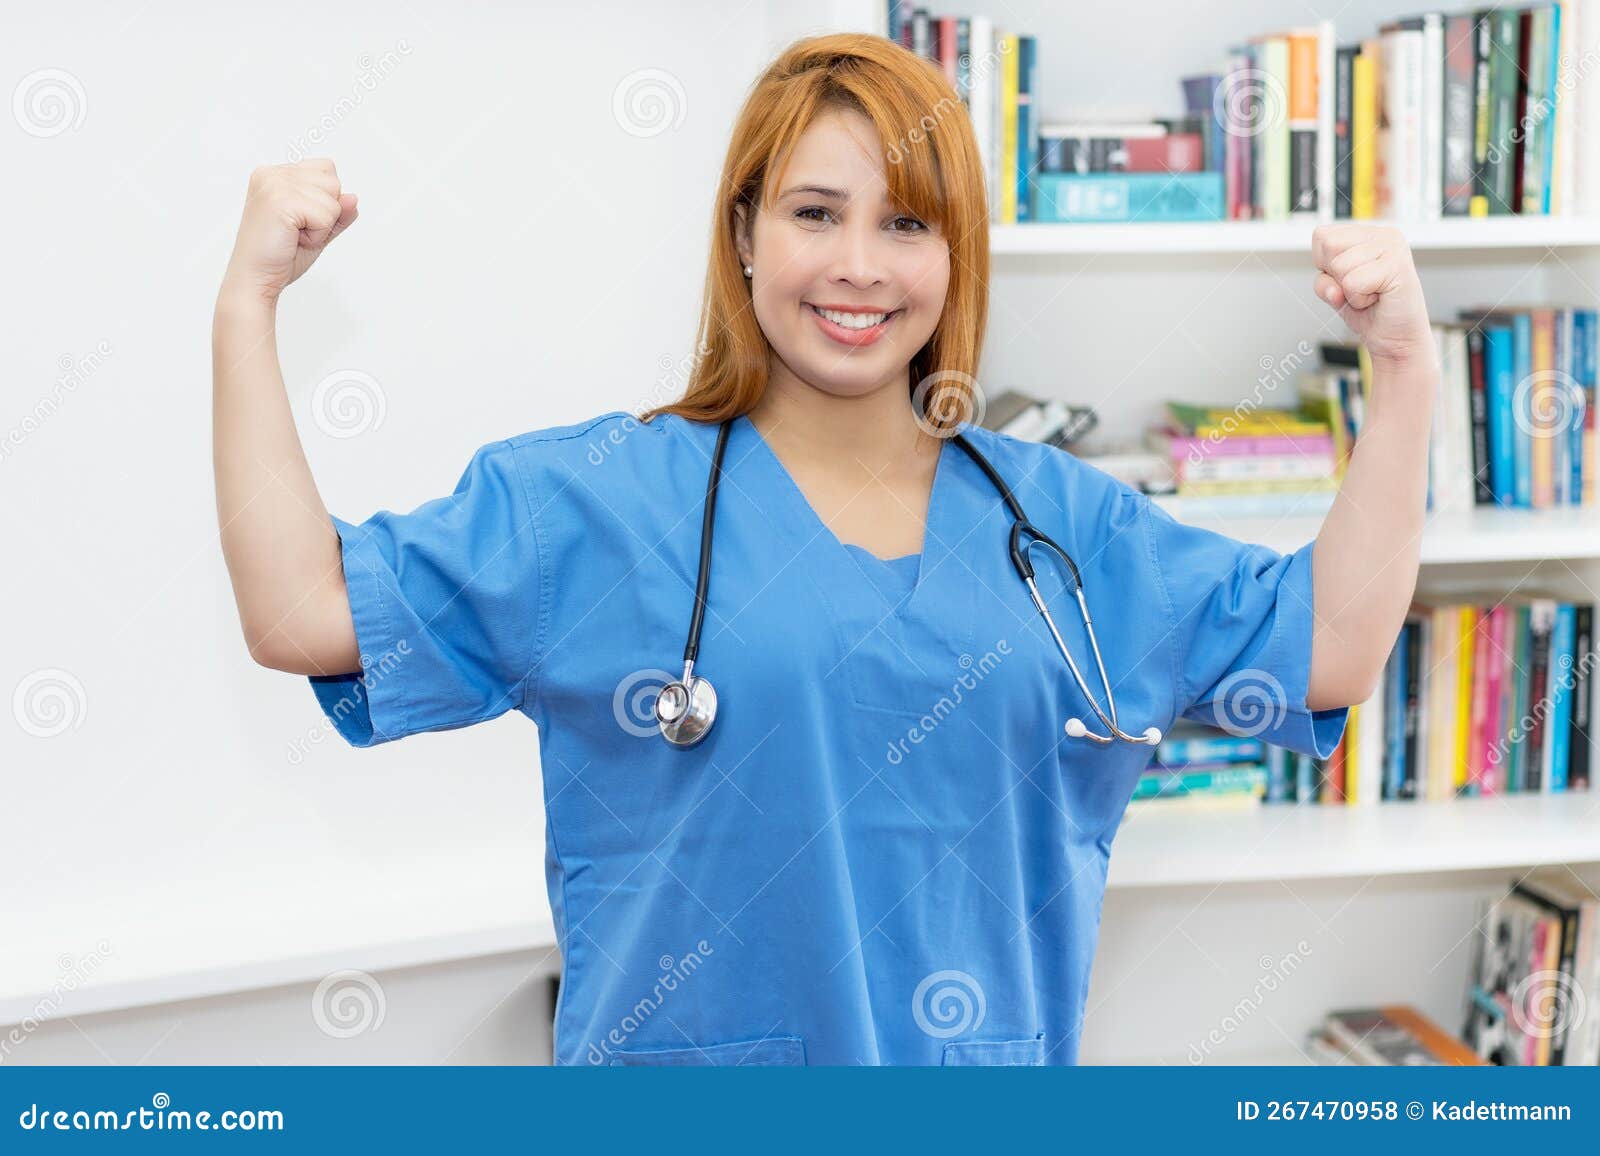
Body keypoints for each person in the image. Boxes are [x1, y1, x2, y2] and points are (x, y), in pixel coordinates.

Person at [212, 33, 1436, 1065]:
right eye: (814, 213)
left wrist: (1403, 368)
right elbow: (302, 612)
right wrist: (247, 305)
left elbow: (1326, 645)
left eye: (907, 222)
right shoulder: (595, 503)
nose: (859, 264)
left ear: (954, 257)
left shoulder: (1060, 525)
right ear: (744, 234)